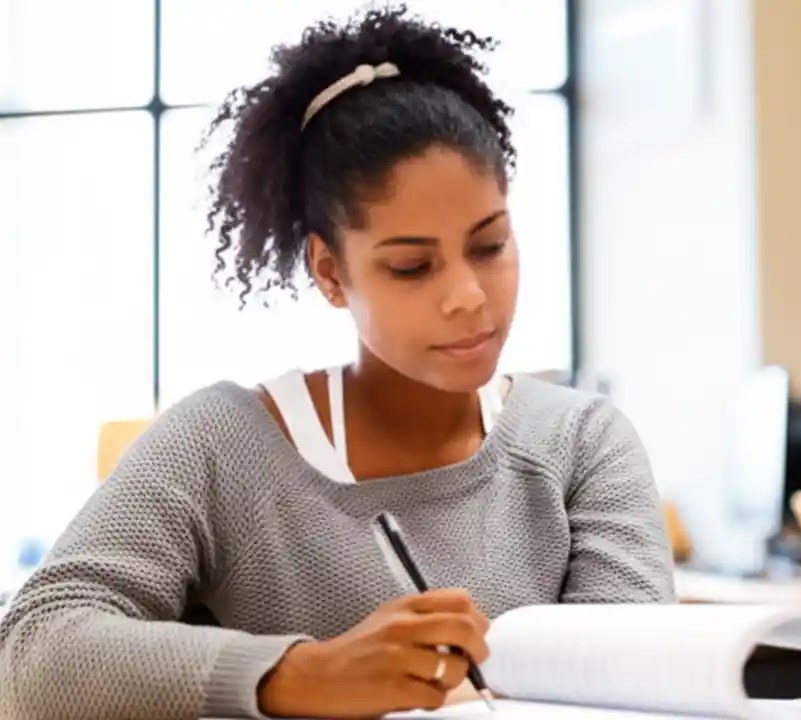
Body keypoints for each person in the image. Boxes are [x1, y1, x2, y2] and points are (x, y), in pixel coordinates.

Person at [0, 6, 674, 719]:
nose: (469, 298)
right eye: (412, 267)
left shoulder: (582, 445)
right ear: (328, 272)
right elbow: (29, 654)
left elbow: (640, 685)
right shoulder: (222, 445)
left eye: (489, 246)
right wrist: (299, 674)